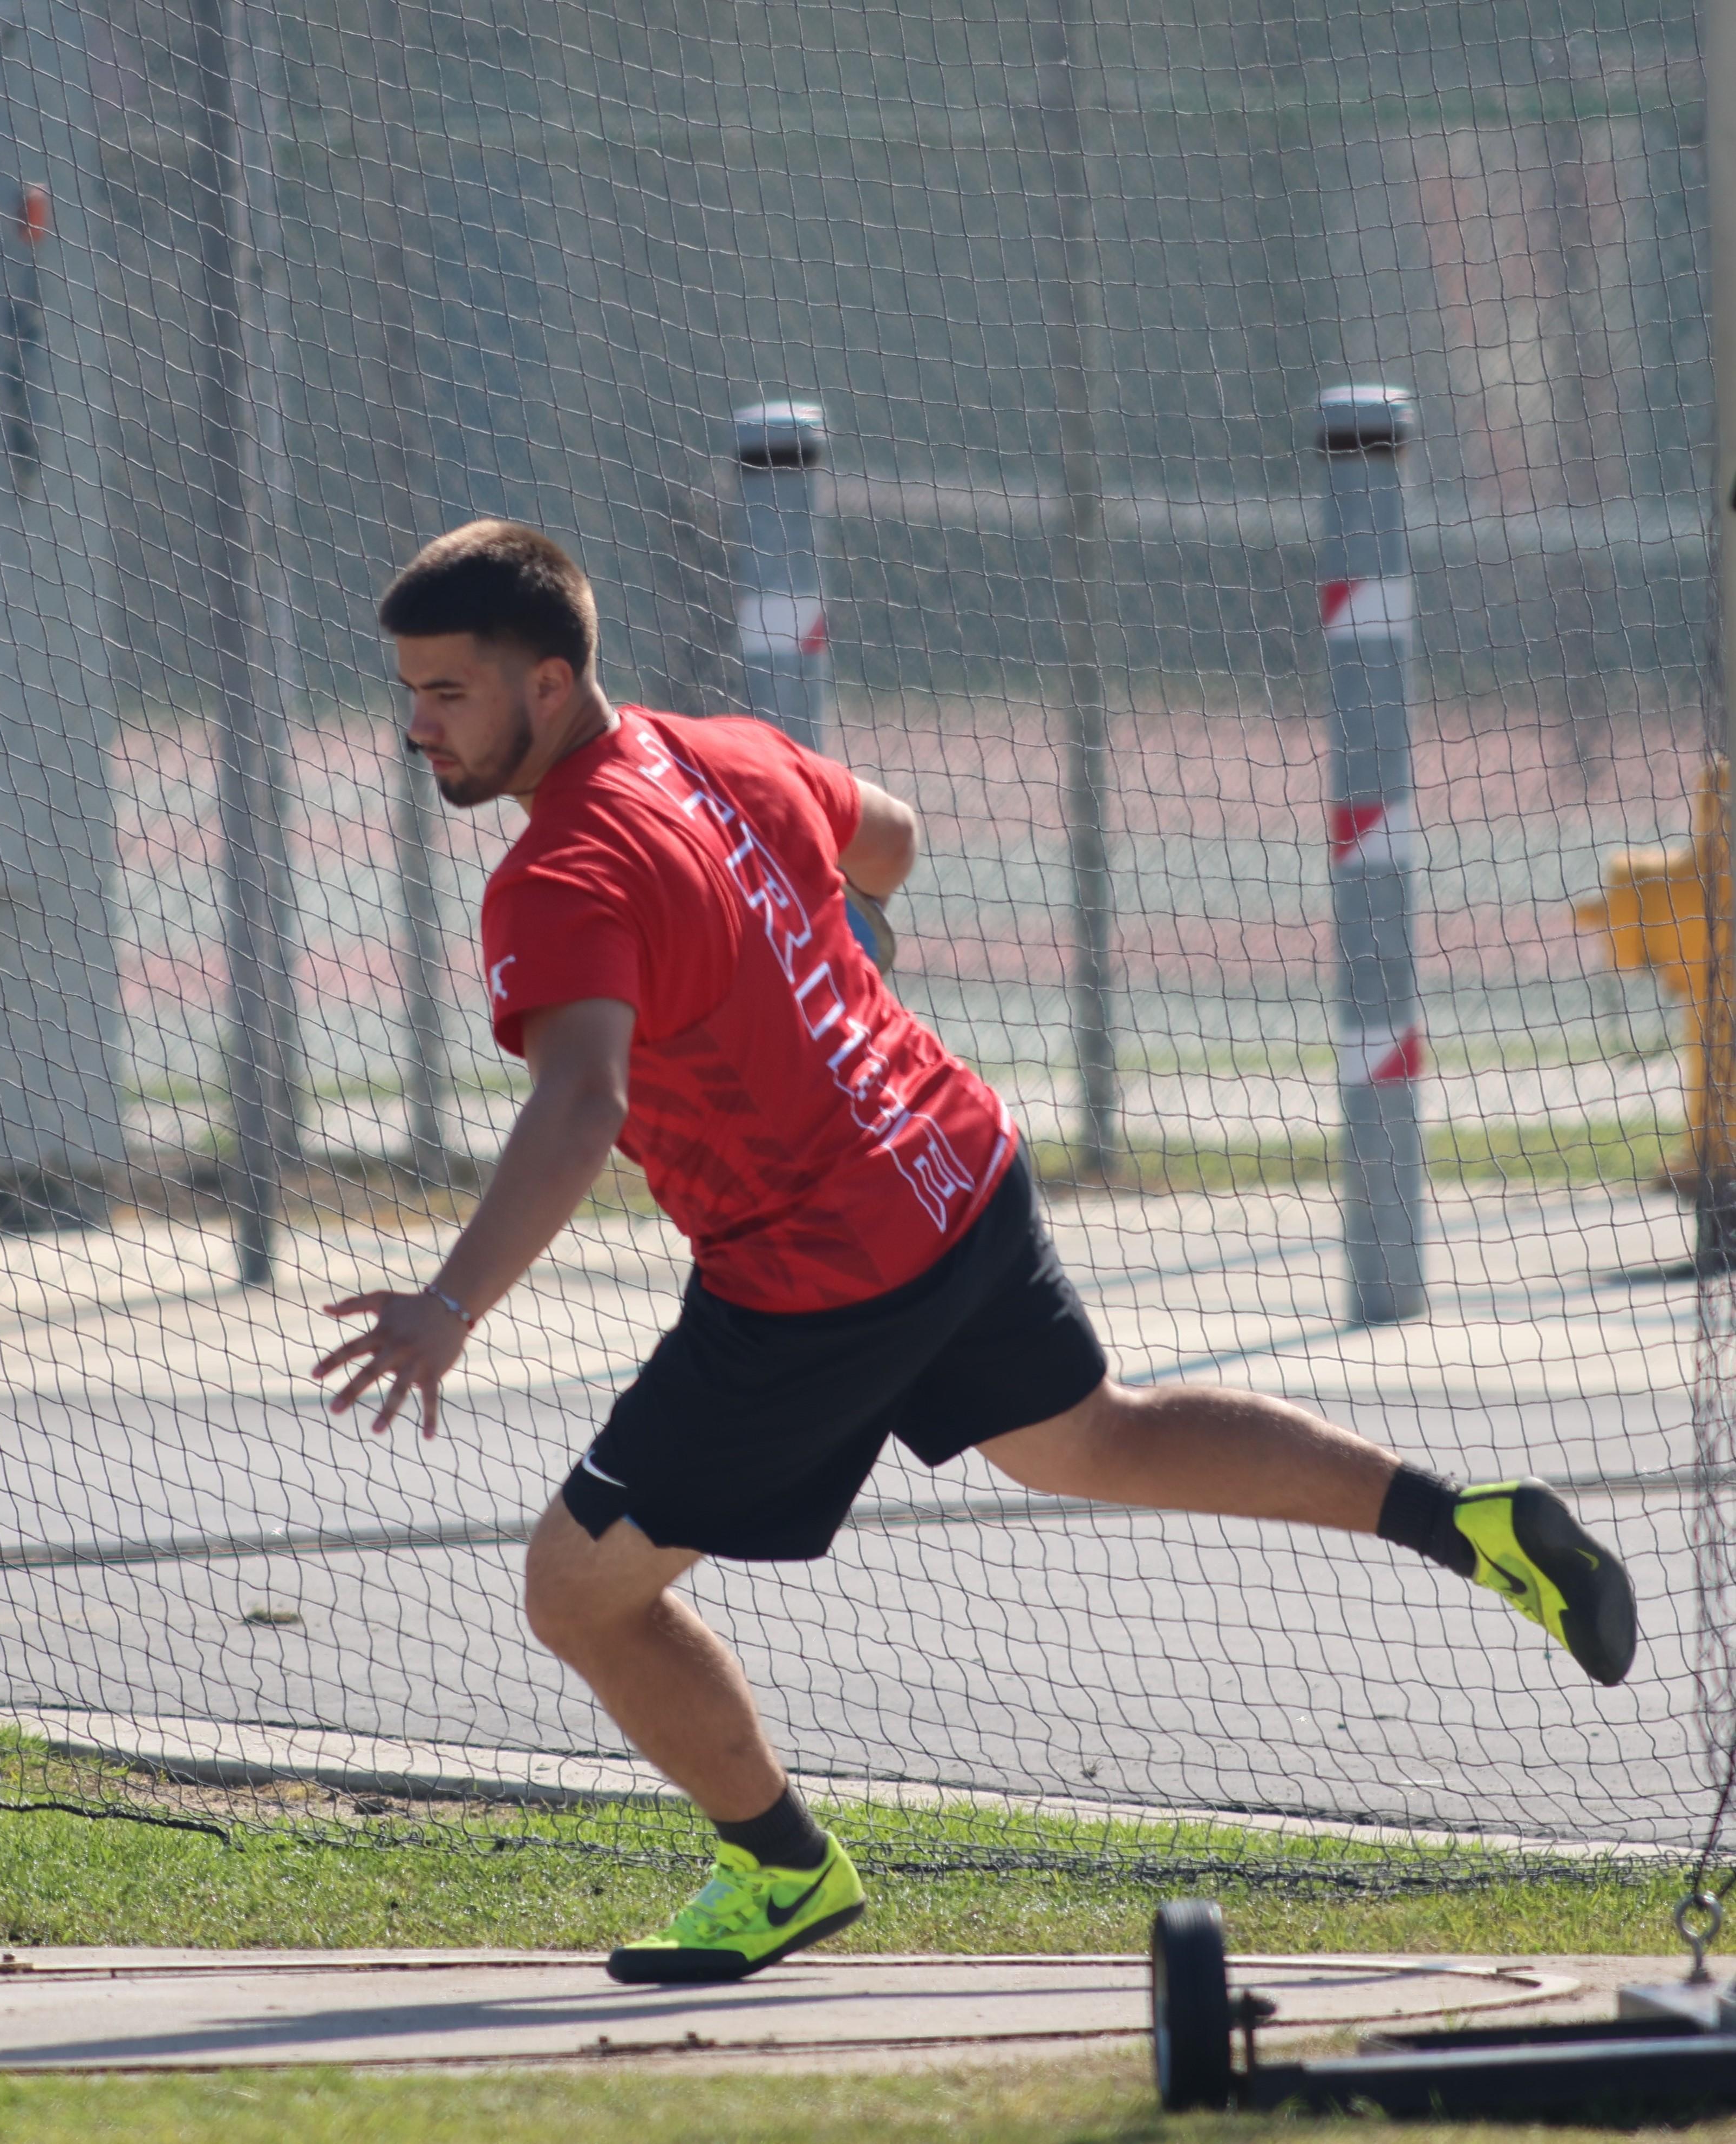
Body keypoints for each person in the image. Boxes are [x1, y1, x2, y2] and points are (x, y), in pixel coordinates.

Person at [314, 517, 1638, 1986]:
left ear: (548, 684)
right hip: (956, 1168)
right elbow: (890, 838)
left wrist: (449, 1304)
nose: (414, 728)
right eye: (408, 693)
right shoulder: (728, 749)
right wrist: (830, 948)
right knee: (1094, 1440)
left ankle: (779, 1865)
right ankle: (1475, 1524)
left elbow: (581, 1104)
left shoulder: (558, 875)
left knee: (575, 1587)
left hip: (816, 1276)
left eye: (446, 694)